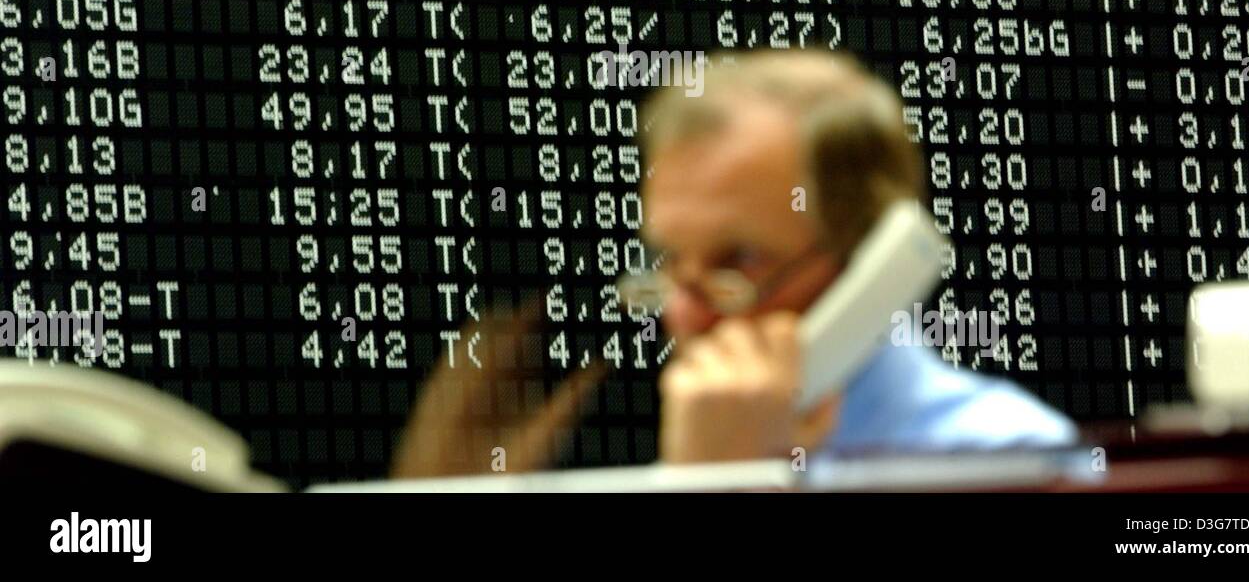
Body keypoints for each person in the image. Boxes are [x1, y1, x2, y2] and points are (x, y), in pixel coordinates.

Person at [392, 49, 1075, 477]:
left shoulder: (1002, 459)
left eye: (739, 260)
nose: (684, 314)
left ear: (876, 267)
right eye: (669, 262)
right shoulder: (650, 444)